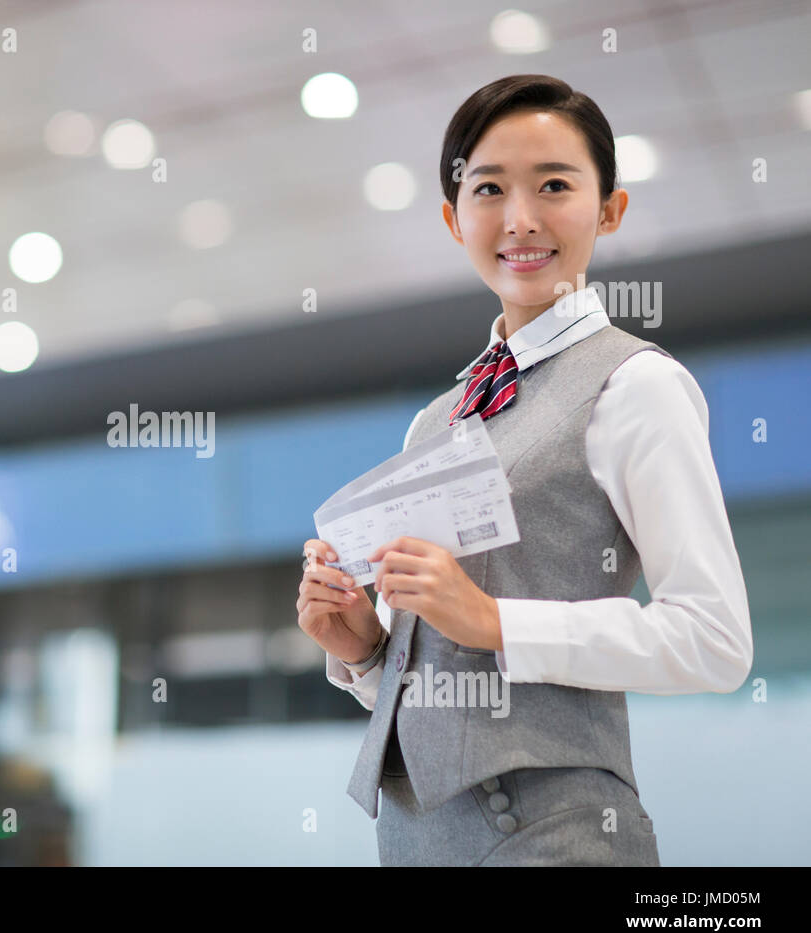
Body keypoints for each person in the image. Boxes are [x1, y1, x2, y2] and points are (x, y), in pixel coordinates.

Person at [296, 74, 753, 866]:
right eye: (488, 189)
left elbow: (715, 639)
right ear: (453, 217)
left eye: (554, 185)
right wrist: (368, 649)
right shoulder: (436, 420)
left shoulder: (636, 384)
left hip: (557, 836)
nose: (520, 219)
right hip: (416, 842)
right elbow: (453, 700)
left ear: (610, 209)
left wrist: (494, 621)